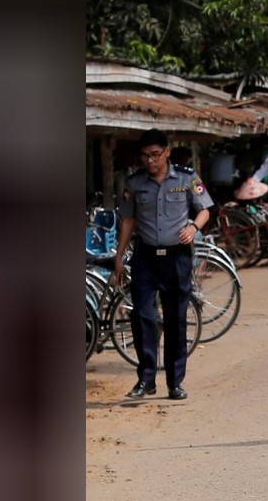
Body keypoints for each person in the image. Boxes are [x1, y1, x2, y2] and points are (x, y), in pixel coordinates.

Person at [112, 129, 213, 400]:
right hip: (144, 258)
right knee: (142, 316)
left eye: (155, 154)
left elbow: (204, 209)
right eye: (145, 156)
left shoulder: (186, 177)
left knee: (175, 319)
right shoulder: (134, 183)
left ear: (167, 151)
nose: (150, 161)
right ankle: (146, 380)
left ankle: (174, 382)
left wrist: (193, 227)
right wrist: (119, 257)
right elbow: (128, 221)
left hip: (176, 258)